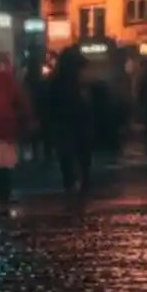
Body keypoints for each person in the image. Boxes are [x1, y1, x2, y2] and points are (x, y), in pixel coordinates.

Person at [0, 54, 34, 212]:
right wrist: (28, 118)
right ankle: (5, 194)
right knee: (7, 162)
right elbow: (22, 101)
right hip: (8, 127)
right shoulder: (11, 82)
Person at [49, 46, 93, 192]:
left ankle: (70, 182)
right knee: (83, 153)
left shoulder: (56, 80)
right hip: (77, 122)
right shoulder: (82, 83)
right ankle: (83, 182)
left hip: (63, 123)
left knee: (66, 155)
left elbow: (50, 102)